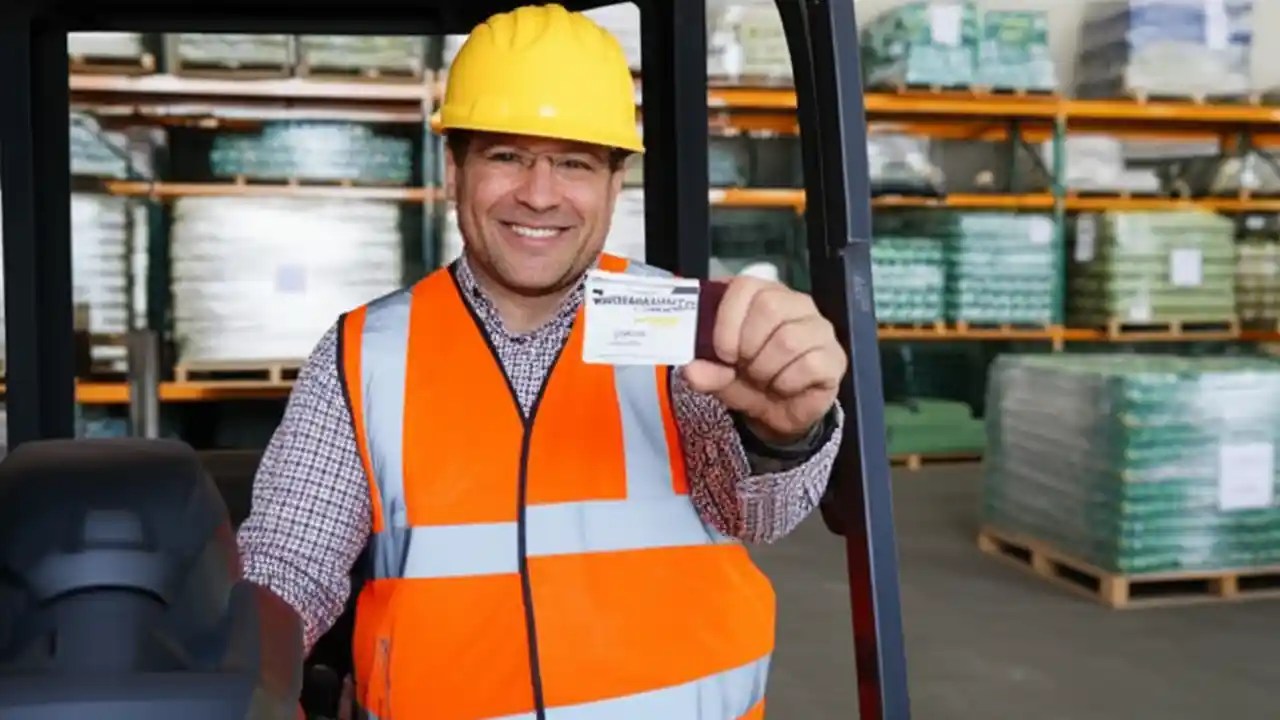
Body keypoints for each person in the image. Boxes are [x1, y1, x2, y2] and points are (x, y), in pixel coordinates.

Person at [237, 4, 848, 719]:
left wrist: (782, 439)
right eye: (506, 155)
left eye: (574, 163)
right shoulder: (363, 356)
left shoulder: (682, 326)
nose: (538, 192)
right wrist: (244, 677)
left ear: (616, 183)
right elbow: (289, 563)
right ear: (455, 166)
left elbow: (751, 510)